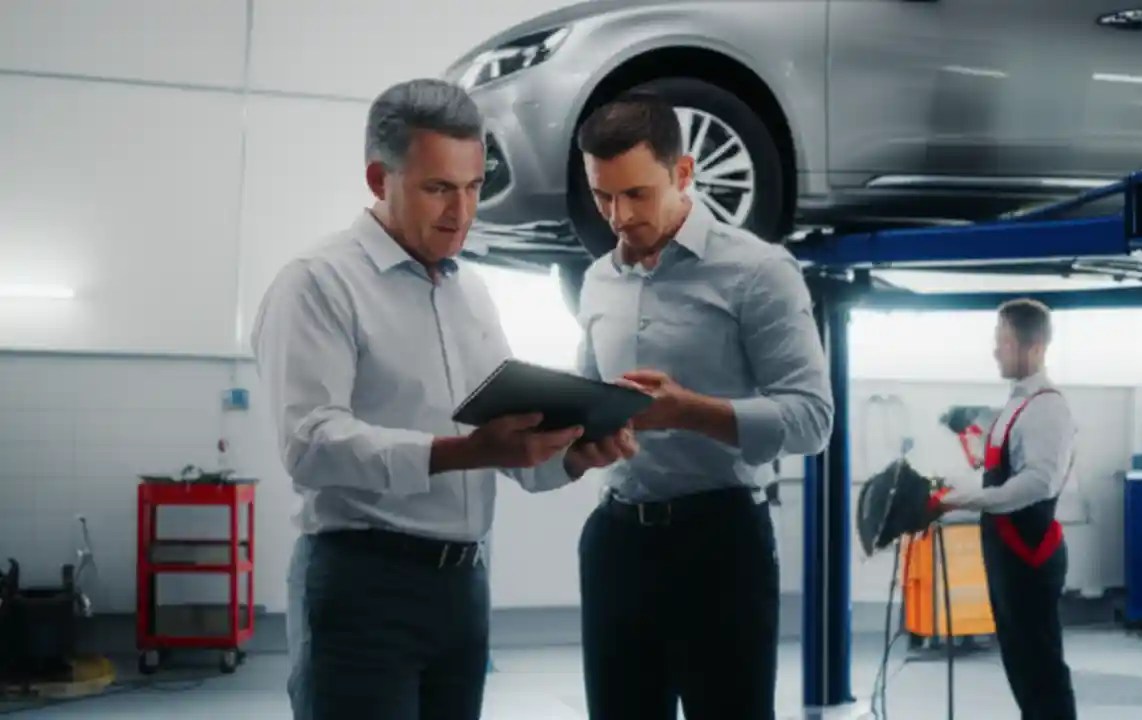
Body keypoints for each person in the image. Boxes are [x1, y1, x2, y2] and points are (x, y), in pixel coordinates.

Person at [251, 78, 637, 720]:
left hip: (462, 588)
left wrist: (574, 454)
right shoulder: (319, 284)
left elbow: (508, 451)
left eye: (473, 187)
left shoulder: (471, 294)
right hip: (361, 586)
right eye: (438, 189)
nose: (461, 213)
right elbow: (310, 446)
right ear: (379, 179)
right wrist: (462, 452)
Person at [570, 92, 835, 720]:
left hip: (719, 545)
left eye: (636, 194)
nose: (617, 216)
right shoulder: (598, 280)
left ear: (683, 173)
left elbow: (812, 418)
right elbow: (591, 402)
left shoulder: (758, 272)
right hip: (616, 542)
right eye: (603, 196)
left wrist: (690, 411)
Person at [930, 298, 1078, 720]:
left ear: (1034, 348)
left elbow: (1037, 484)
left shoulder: (1047, 407)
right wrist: (942, 488)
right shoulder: (1015, 405)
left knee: (1040, 667)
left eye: (1003, 340)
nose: (995, 350)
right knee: (1021, 664)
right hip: (1007, 555)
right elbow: (995, 475)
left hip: (1030, 555)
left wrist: (959, 500)